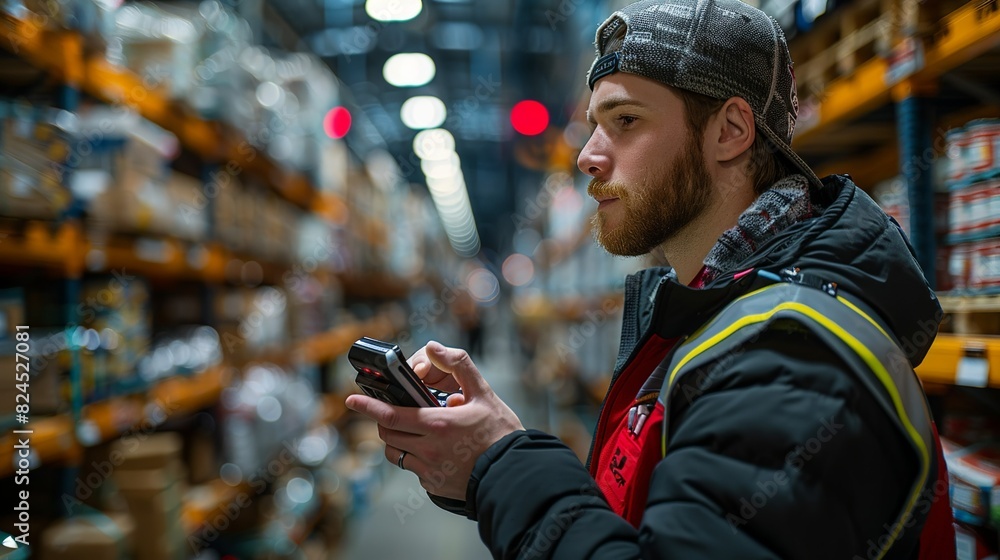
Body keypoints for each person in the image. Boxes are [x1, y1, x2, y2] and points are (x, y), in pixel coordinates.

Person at [345, 0, 957, 557]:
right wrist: (488, 457)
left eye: (626, 121)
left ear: (730, 131)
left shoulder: (797, 358)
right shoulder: (708, 316)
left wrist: (501, 463)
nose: (587, 155)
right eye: (593, 124)